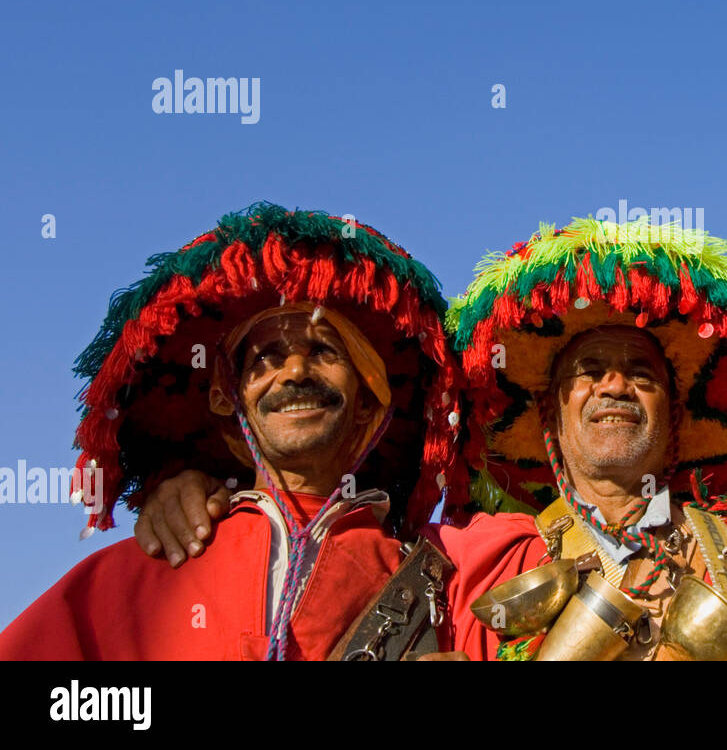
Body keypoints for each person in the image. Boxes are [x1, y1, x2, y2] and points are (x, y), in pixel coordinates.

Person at [140, 218, 727, 660]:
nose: (613, 385)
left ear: (676, 417)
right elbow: (311, 557)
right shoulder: (470, 558)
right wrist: (201, 485)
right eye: (588, 371)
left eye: (639, 373)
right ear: (549, 423)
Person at [0, 203, 462, 660]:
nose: (295, 371)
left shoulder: (448, 581)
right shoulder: (130, 580)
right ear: (229, 399)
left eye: (324, 351)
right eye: (267, 358)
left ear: (368, 402)